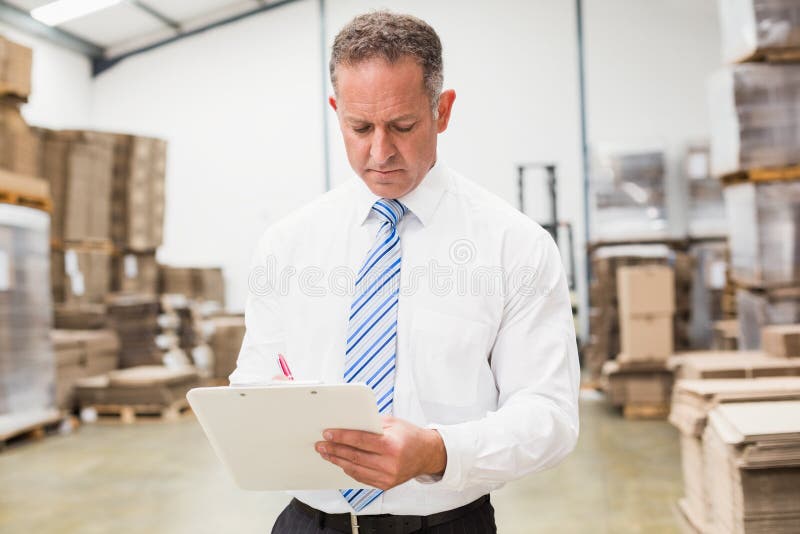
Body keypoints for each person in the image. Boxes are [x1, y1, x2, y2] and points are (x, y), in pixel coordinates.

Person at [230, 10, 580, 533]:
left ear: (442, 110)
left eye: (402, 126)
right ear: (336, 111)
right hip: (309, 522)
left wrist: (437, 452)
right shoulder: (289, 244)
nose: (380, 152)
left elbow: (548, 417)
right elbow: (254, 383)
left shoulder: (515, 246)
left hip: (444, 524)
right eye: (359, 127)